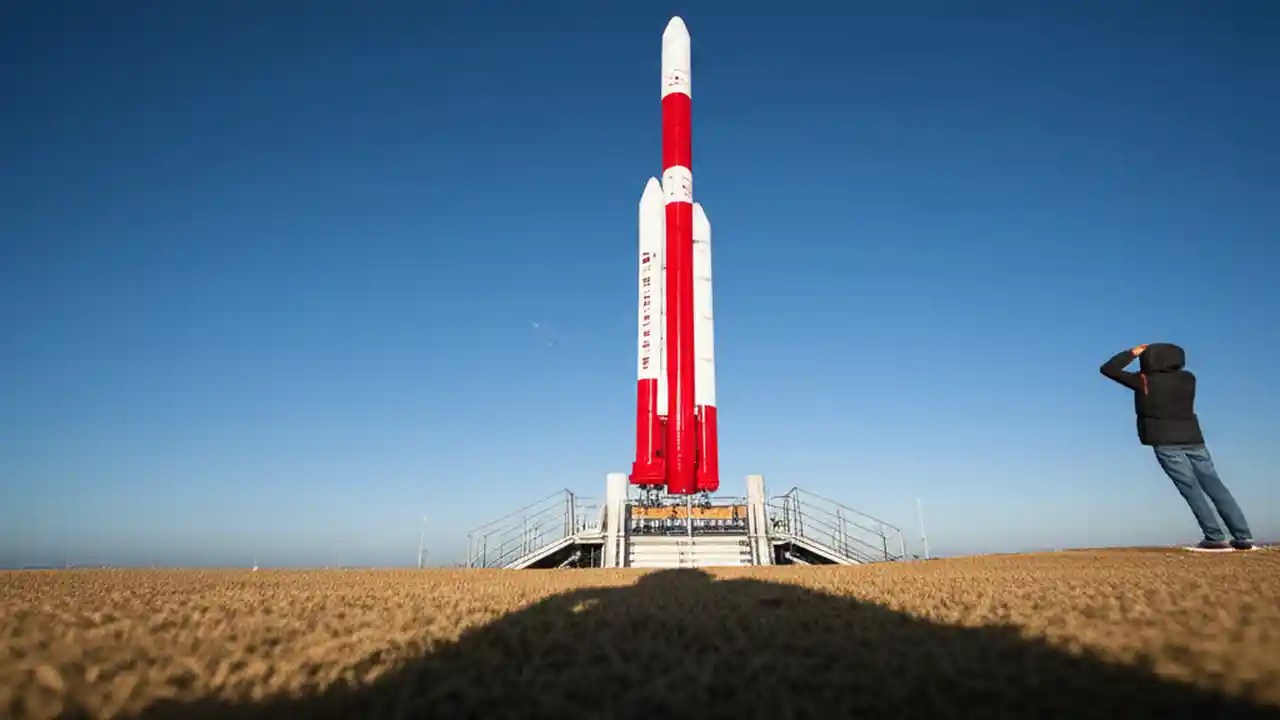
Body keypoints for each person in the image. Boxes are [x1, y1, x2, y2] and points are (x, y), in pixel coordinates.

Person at [1100, 343, 1254, 551]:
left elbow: (1108, 369)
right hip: (1194, 439)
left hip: (1165, 442)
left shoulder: (1144, 380)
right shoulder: (1188, 379)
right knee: (1215, 486)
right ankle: (1243, 537)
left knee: (1191, 489)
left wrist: (1133, 353)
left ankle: (1215, 537)